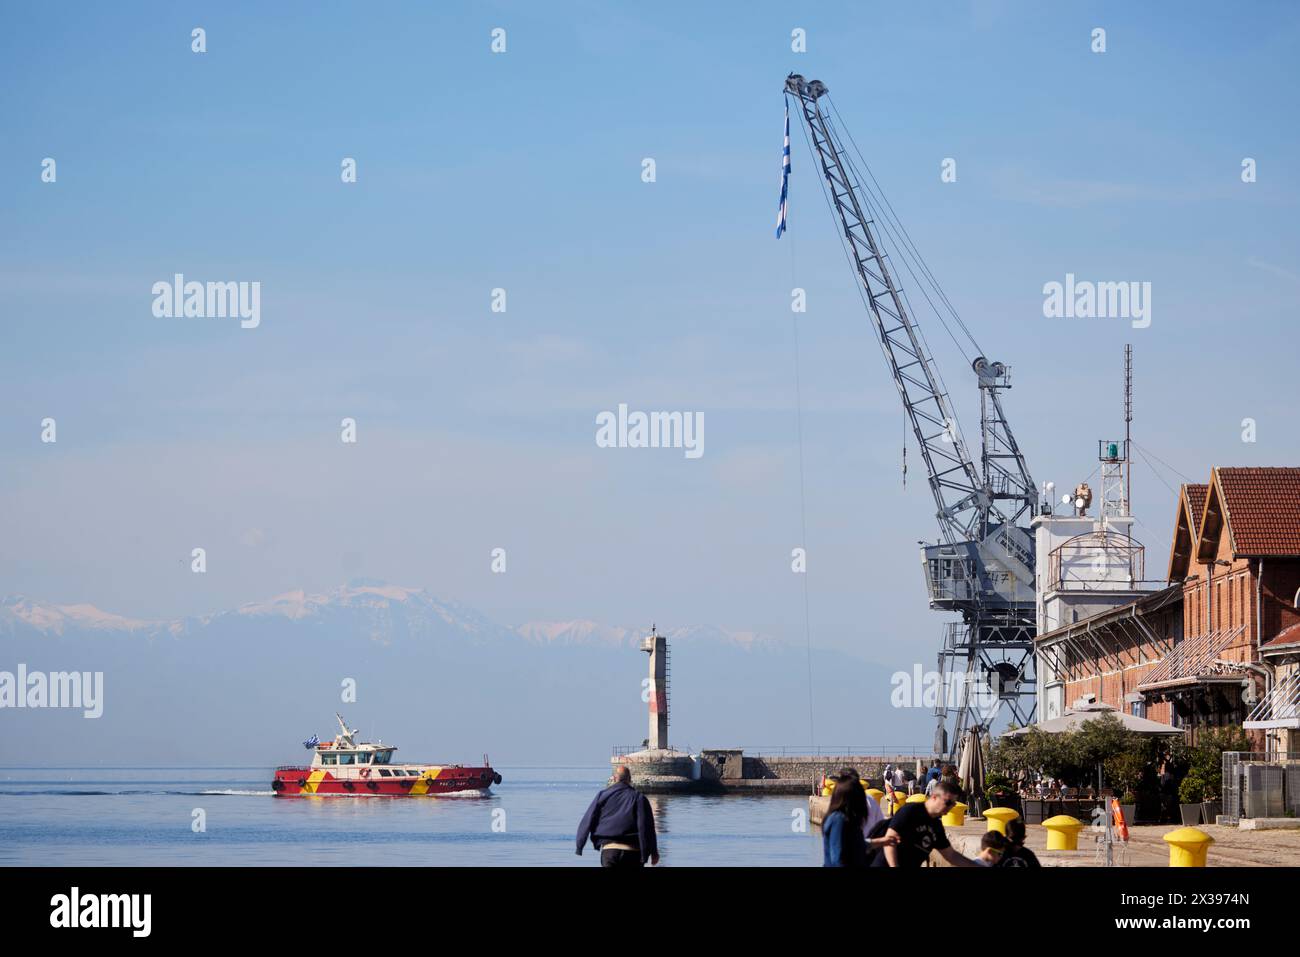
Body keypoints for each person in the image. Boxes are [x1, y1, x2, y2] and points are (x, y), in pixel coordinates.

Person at [874, 779, 976, 867]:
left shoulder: (936, 826)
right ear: (934, 797)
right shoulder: (910, 811)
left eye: (953, 804)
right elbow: (889, 842)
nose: (951, 807)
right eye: (948, 802)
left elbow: (951, 855)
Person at [575, 765, 659, 867]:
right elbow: (646, 827)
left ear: (614, 778)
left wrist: (580, 846)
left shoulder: (602, 795)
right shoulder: (639, 798)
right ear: (630, 779)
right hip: (633, 853)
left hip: (610, 852)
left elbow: (587, 820)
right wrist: (652, 852)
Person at [824, 775, 898, 866]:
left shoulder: (849, 819)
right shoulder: (838, 820)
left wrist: (882, 841)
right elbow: (838, 858)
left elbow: (856, 845)